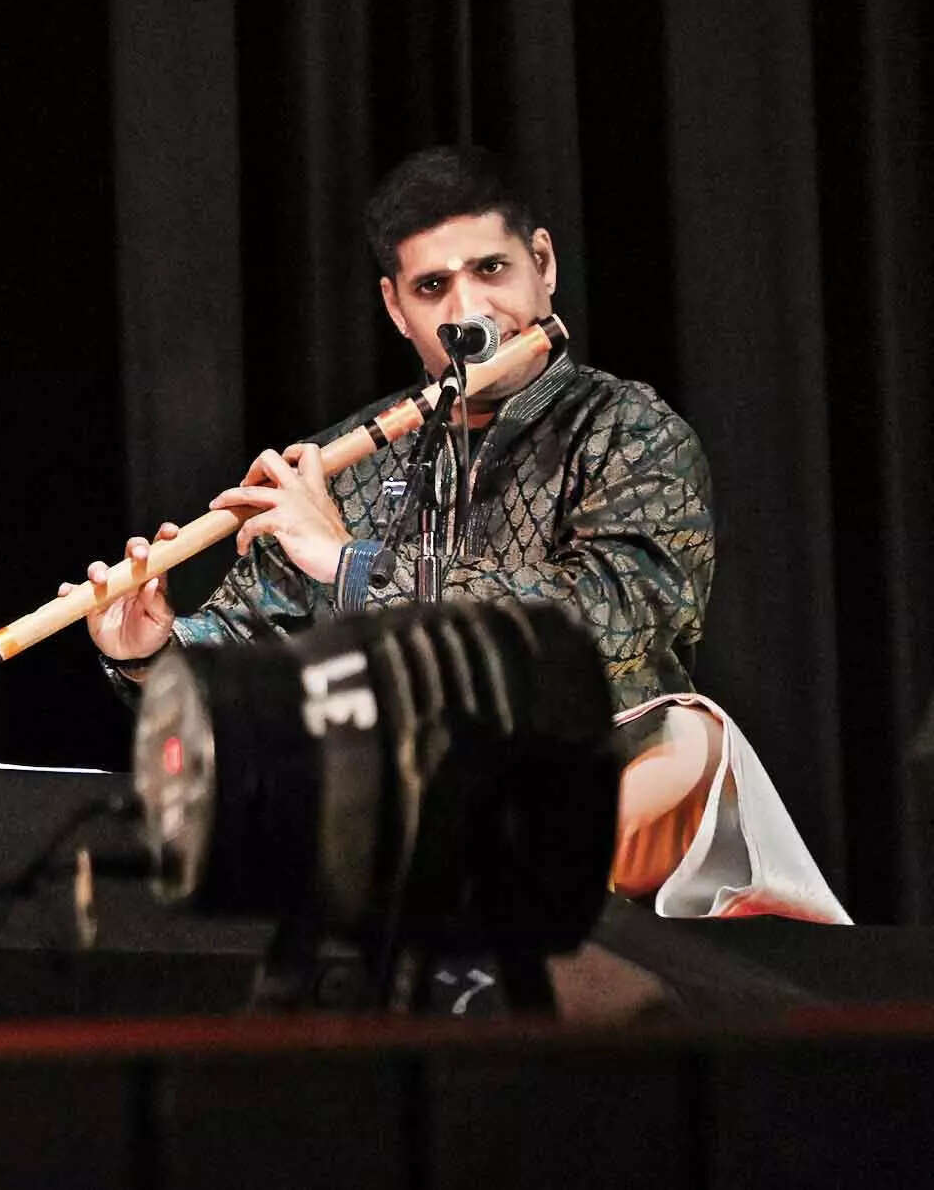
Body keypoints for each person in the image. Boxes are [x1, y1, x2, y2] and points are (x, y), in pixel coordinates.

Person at [75, 146, 841, 921]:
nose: (468, 311)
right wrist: (149, 651)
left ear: (541, 263)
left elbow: (613, 629)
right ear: (395, 307)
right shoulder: (344, 463)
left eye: (491, 270)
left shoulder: (630, 432)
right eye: (433, 286)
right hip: (384, 801)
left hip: (580, 797)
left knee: (687, 744)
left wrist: (352, 564)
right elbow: (246, 672)